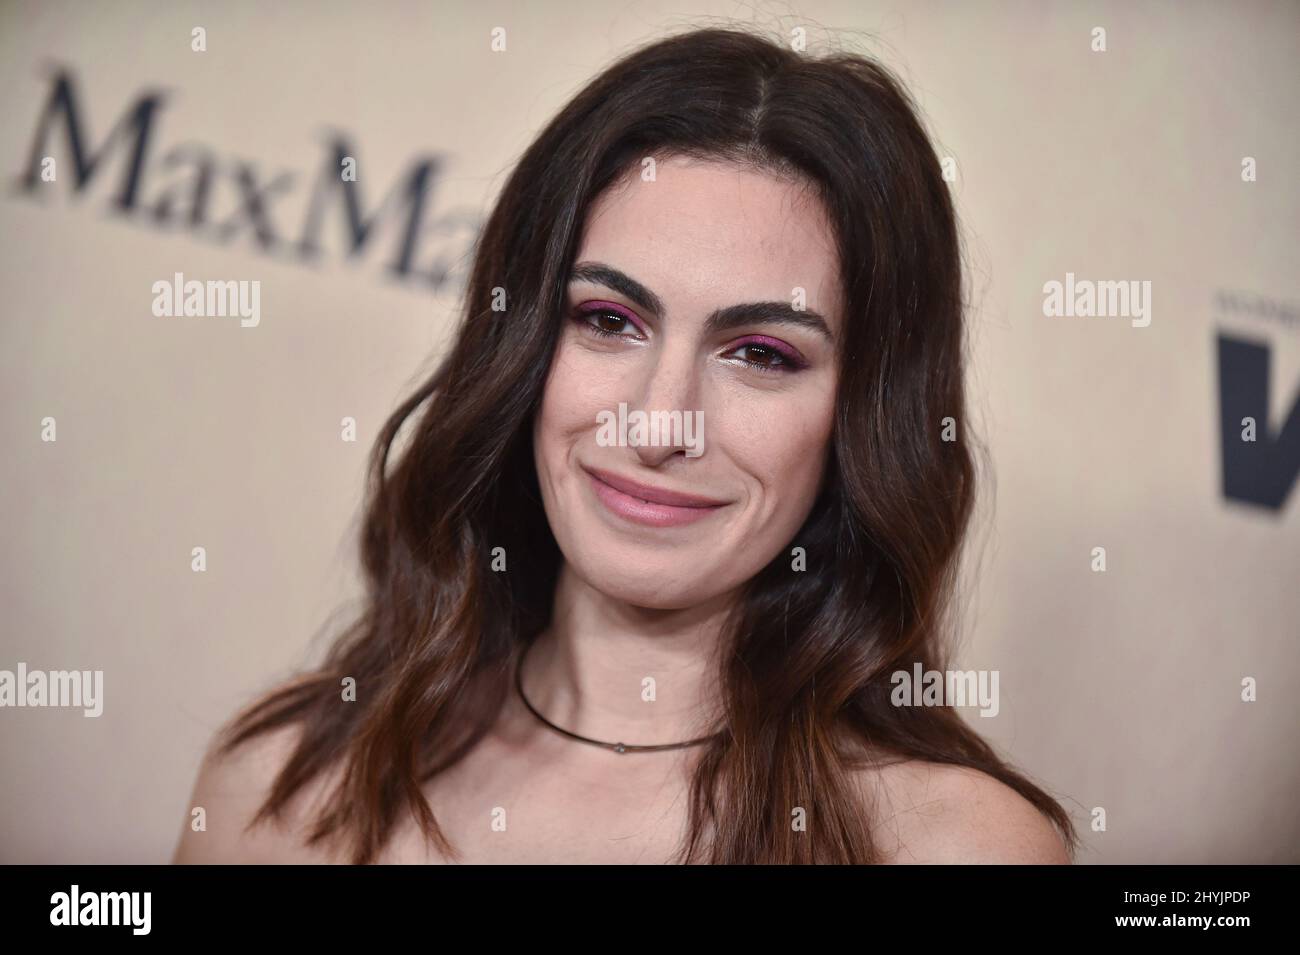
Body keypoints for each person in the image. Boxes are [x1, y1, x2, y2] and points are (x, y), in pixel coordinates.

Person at [173, 25, 1076, 864]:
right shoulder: (279, 790)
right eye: (608, 319)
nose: (656, 422)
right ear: (520, 346)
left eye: (760, 353)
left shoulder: (960, 846)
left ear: (862, 416)